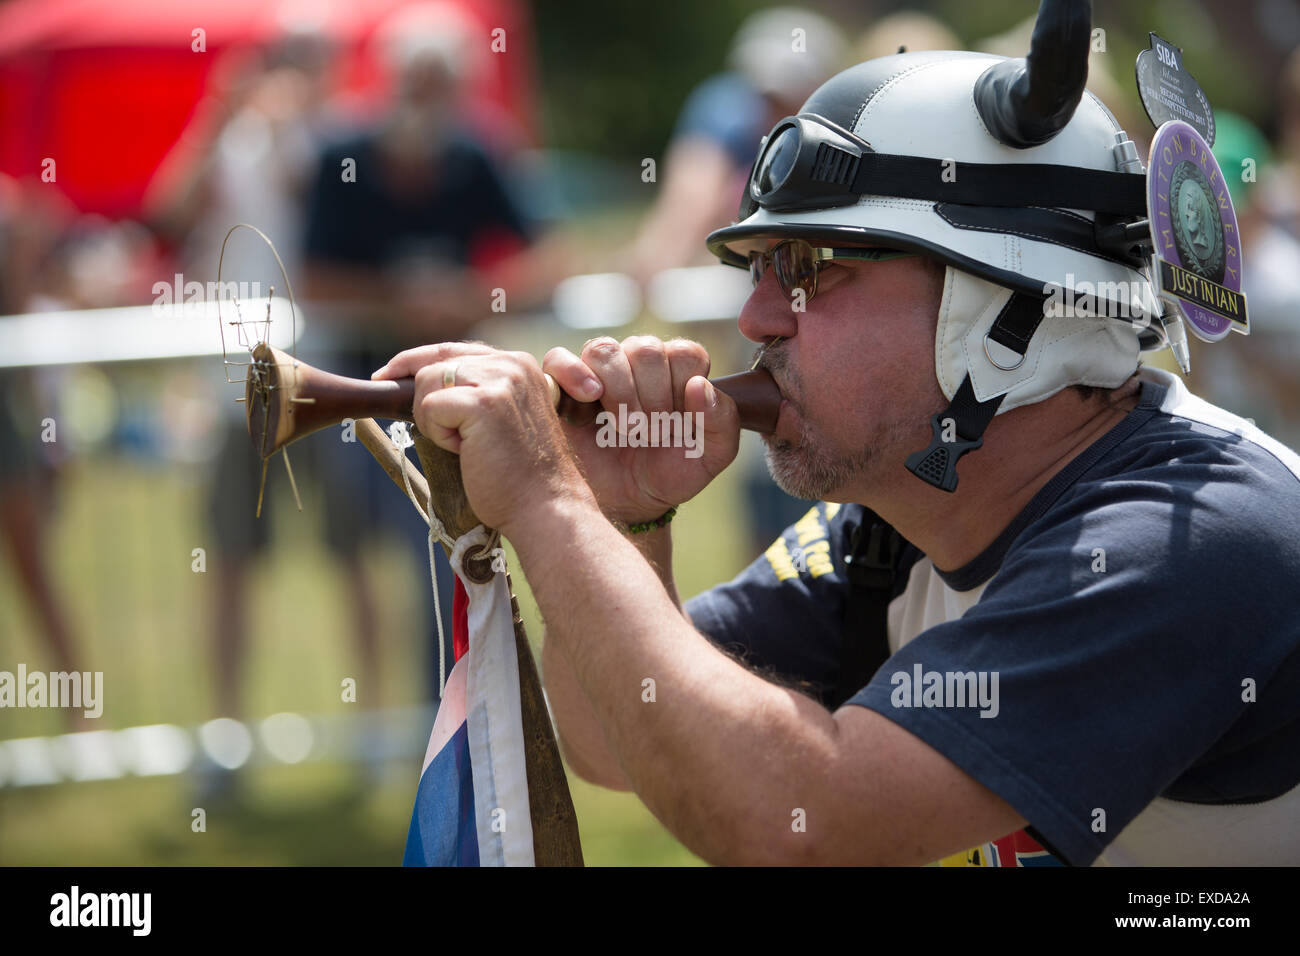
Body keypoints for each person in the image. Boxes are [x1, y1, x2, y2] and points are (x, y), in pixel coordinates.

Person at [372, 3, 1300, 865]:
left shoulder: (1188, 537)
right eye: (762, 269)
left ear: (1003, 314)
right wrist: (626, 521)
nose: (760, 317)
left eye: (812, 270)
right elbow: (619, 736)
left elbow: (802, 823)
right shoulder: (906, 518)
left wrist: (547, 501)